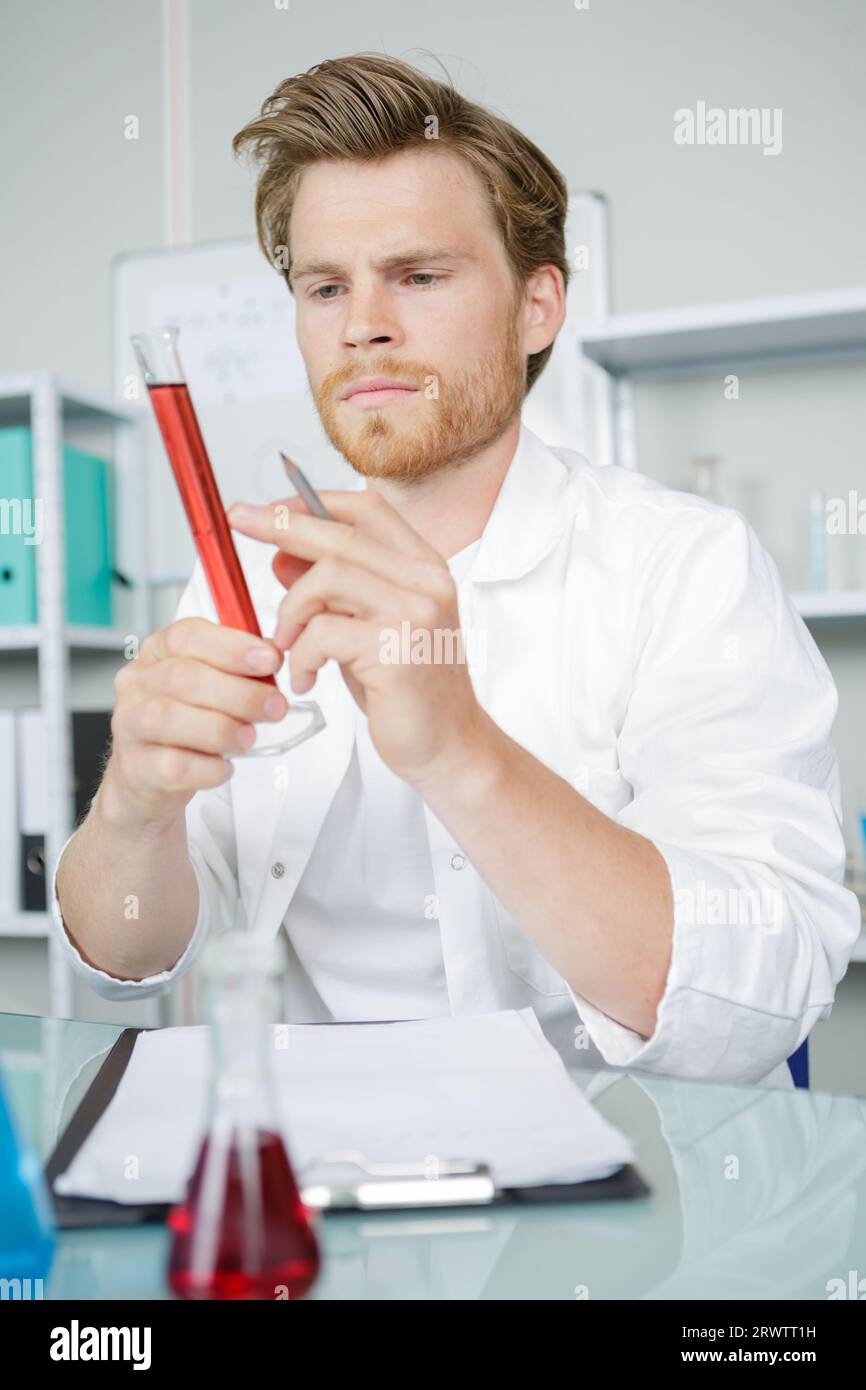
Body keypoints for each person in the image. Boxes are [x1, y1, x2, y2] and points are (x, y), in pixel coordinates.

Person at [52, 53, 860, 1087]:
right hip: (333, 1184)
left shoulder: (683, 569)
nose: (362, 324)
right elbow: (127, 964)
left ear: (537, 306)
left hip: (636, 1206)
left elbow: (763, 992)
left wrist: (461, 751)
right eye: (324, 286)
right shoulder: (240, 587)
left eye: (419, 275)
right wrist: (133, 802)